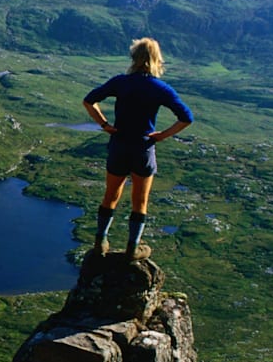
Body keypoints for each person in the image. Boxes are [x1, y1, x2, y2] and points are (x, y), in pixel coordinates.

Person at [82, 37, 194, 261]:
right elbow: (186, 118)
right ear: (156, 59)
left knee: (110, 195)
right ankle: (133, 248)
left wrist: (105, 125)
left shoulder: (121, 82)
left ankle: (101, 242)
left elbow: (89, 101)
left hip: (119, 144)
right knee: (140, 201)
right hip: (143, 148)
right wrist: (161, 136)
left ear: (134, 58)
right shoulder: (160, 88)